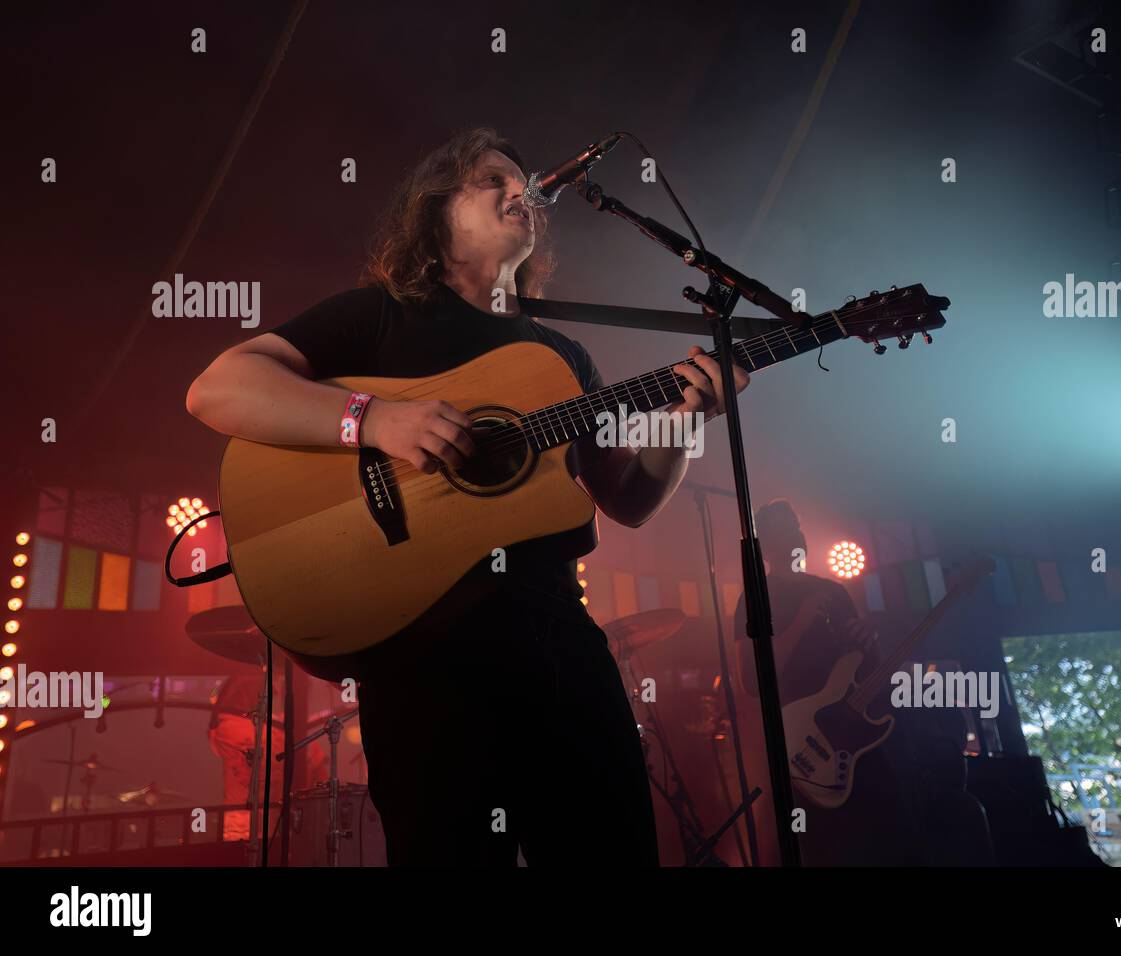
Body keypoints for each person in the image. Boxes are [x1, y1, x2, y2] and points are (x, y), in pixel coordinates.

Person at [186, 127, 749, 865]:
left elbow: (627, 499)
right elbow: (218, 388)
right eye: (493, 180)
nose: (524, 193)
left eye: (524, 184)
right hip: (426, 663)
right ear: (436, 211)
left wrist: (686, 420)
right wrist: (373, 418)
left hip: (560, 649)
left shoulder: (560, 355)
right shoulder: (381, 316)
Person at [732, 499, 920, 865]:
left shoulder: (834, 592)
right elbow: (751, 680)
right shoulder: (755, 595)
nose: (795, 533)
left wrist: (871, 644)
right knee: (827, 848)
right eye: (785, 527)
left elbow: (867, 673)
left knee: (893, 840)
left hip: (856, 738)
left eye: (796, 524)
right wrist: (800, 622)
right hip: (803, 746)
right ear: (765, 543)